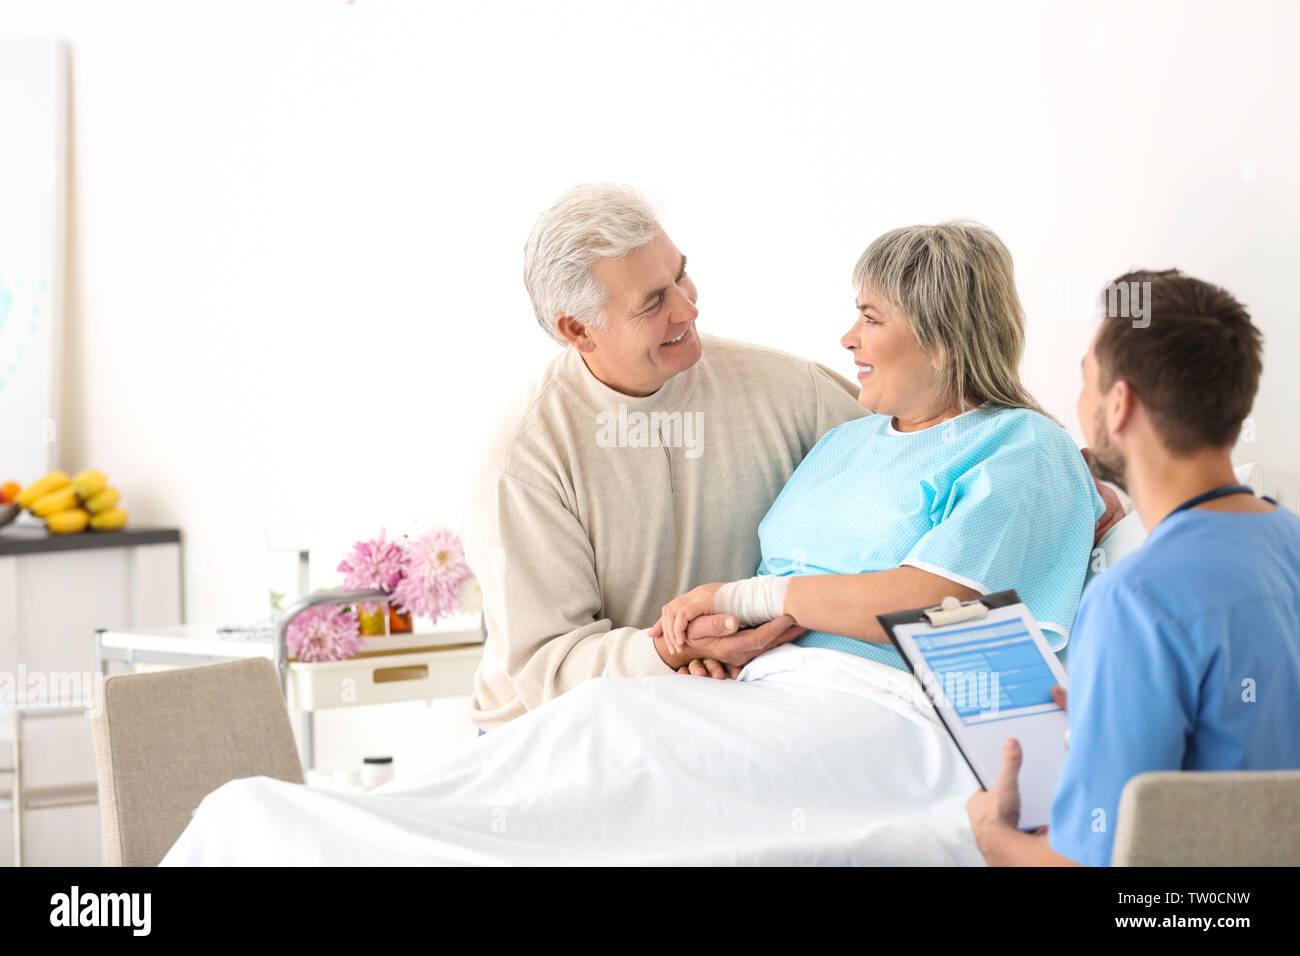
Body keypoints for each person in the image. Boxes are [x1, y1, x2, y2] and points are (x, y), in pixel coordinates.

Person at [654, 221, 1105, 672]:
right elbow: (775, 583)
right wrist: (716, 641)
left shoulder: (1022, 444)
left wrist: (742, 597)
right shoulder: (843, 441)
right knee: (605, 711)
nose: (849, 339)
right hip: (768, 682)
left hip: (890, 697)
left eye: (871, 318)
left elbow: (940, 609)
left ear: (944, 340)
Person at [966, 269, 1300, 866]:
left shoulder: (1135, 600)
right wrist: (1114, 706)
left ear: (1119, 403)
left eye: (1086, 381)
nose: (1078, 404)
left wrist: (996, 839)